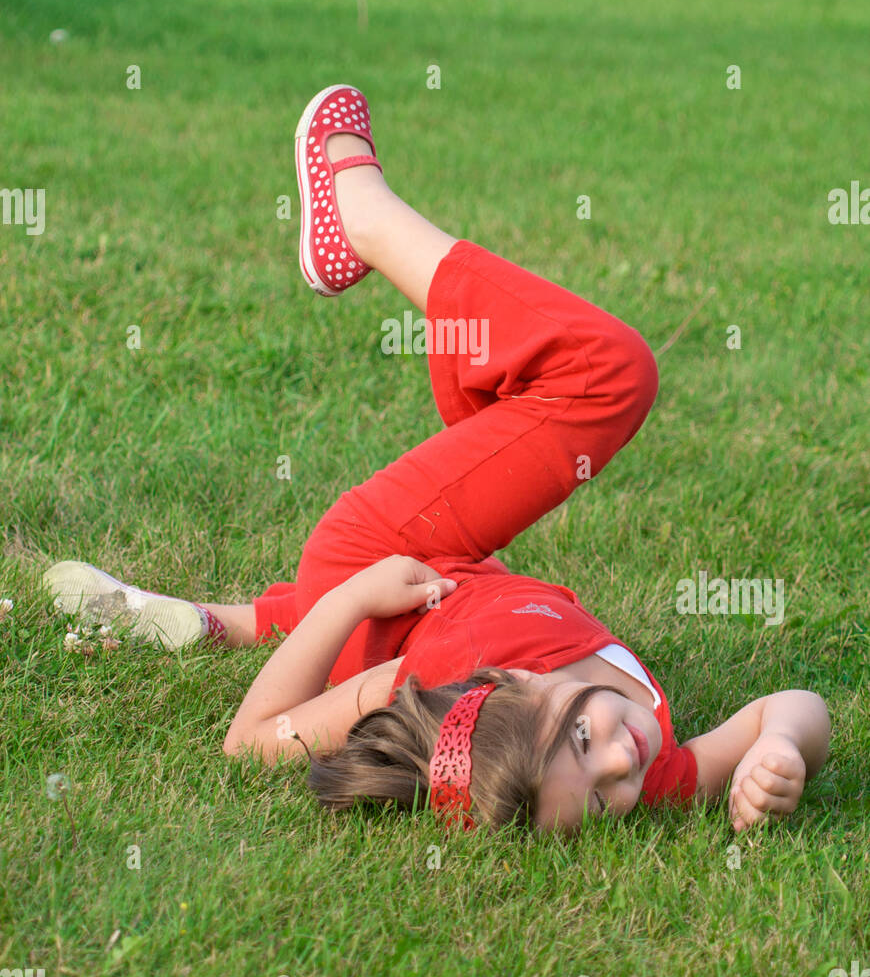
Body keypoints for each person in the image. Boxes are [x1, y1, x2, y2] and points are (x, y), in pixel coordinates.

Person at [45, 85, 831, 836]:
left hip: (380, 561)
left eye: (586, 744)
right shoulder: (650, 782)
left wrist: (351, 598)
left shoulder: (424, 686)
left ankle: (361, 218)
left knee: (603, 375)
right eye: (599, 802)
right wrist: (781, 748)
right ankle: (231, 623)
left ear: (511, 684)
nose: (624, 762)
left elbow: (250, 741)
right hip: (450, 580)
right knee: (533, 403)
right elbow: (789, 704)